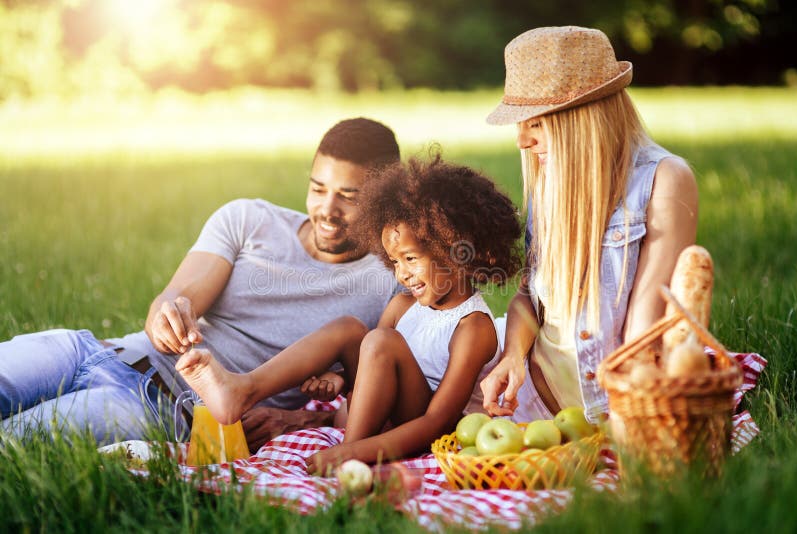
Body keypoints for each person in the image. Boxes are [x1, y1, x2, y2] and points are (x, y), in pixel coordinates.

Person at [0, 118, 401, 446]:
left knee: (13, 443)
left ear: (385, 197)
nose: (326, 210)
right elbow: (179, 295)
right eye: (317, 189)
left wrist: (302, 419)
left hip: (160, 406)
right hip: (93, 350)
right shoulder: (249, 219)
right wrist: (170, 312)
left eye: (349, 197)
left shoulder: (392, 281)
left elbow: (391, 396)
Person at [174, 156, 523, 472]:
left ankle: (348, 456)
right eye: (395, 261)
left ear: (458, 251)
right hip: (381, 411)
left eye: (411, 259)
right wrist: (343, 377)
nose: (401, 274)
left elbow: (436, 422)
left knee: (382, 340)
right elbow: (371, 362)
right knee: (350, 329)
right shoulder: (403, 305)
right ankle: (242, 389)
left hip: (415, 427)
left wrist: (354, 451)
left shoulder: (473, 327)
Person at [479, 26, 698, 424]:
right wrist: (512, 356)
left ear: (582, 118)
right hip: (534, 398)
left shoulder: (663, 180)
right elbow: (531, 296)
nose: (521, 141)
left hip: (615, 404)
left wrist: (627, 424)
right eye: (520, 123)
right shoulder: (550, 178)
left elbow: (645, 330)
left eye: (536, 124)